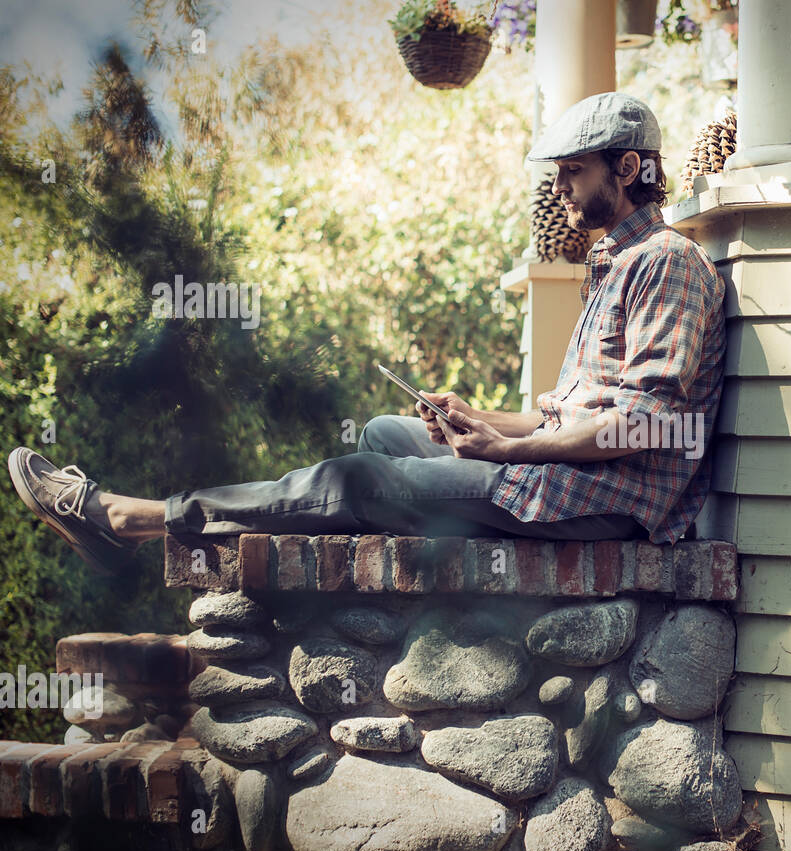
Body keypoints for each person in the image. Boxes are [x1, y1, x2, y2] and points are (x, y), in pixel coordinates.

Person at [7, 92, 728, 576]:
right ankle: (388, 553)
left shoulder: (666, 262)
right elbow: (569, 414)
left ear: (628, 168)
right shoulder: (615, 263)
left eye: (575, 171)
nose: (562, 188)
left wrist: (510, 449)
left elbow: (647, 425)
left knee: (359, 479)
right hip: (568, 475)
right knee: (390, 433)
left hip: (605, 508)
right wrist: (477, 420)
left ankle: (131, 518)